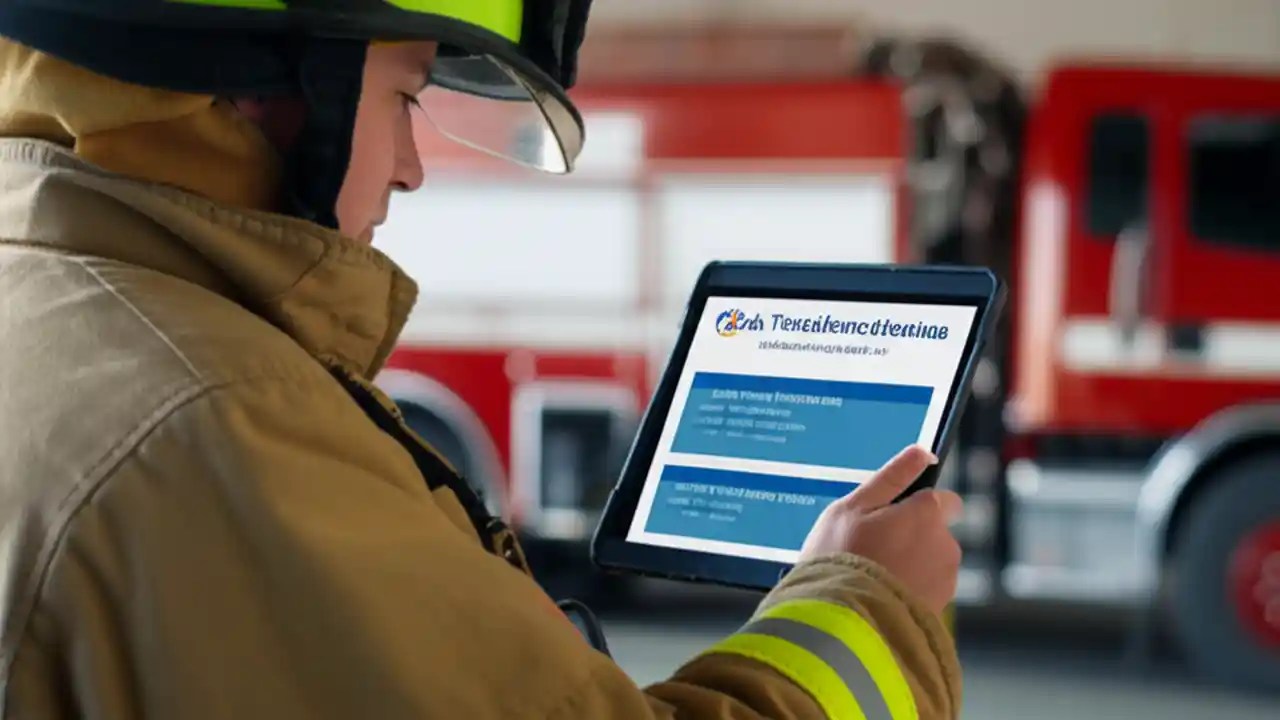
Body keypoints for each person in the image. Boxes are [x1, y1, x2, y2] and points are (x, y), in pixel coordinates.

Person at [0, 1, 963, 718]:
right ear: (256, 86)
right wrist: (867, 609)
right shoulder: (226, 428)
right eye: (406, 96)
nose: (415, 166)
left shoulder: (57, 312)